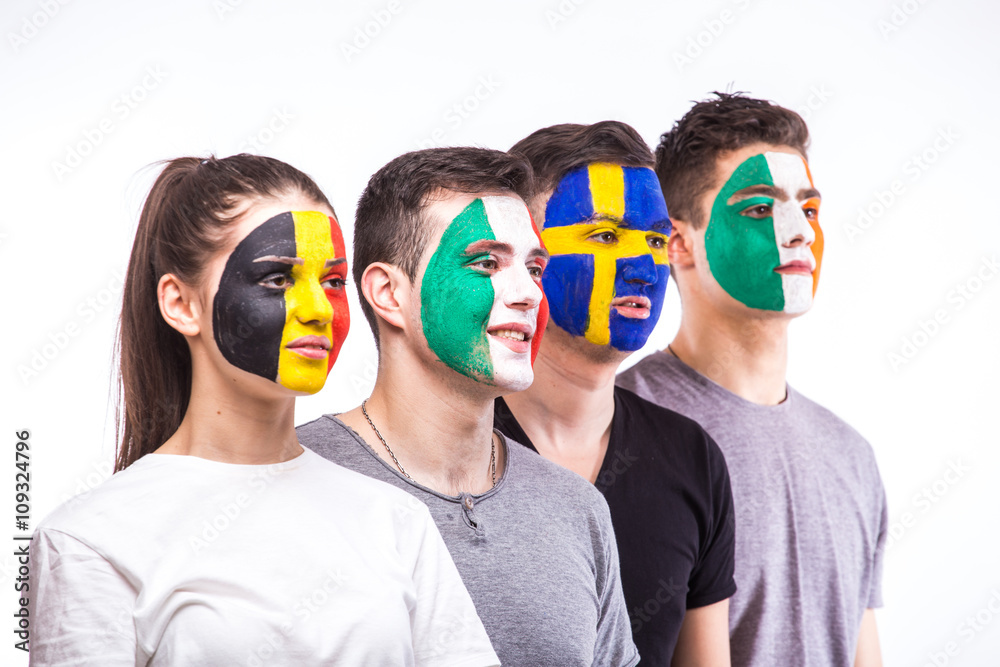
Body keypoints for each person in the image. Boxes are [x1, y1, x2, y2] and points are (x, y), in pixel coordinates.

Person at [28, 154, 498, 667]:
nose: (318, 308)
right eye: (277, 279)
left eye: (334, 282)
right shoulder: (91, 538)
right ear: (181, 304)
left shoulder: (396, 521)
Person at [297, 146, 639, 667]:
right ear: (388, 293)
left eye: (535, 268)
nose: (527, 292)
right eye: (486, 263)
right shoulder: (293, 477)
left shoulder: (578, 509)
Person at [617, 93, 887, 667]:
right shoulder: (613, 424)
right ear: (678, 243)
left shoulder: (851, 454)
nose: (799, 234)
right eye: (760, 209)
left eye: (808, 210)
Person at [494, 121, 736, 666]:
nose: (644, 267)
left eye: (654, 241)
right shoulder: (450, 444)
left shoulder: (692, 458)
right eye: (605, 236)